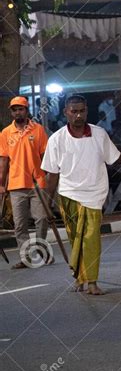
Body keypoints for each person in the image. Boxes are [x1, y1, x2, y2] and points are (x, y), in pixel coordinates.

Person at [41, 94, 121, 295]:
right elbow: (52, 175)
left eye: (82, 111)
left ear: (87, 111)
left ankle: (92, 281)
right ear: (65, 113)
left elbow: (118, 159)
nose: (79, 115)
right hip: (68, 195)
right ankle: (80, 277)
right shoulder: (56, 139)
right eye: (74, 111)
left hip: (95, 196)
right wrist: (46, 204)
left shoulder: (99, 134)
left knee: (91, 238)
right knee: (76, 239)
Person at [0, 96, 51, 269]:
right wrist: (1, 184)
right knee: (20, 224)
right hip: (15, 185)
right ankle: (27, 257)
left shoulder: (38, 129)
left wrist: (51, 178)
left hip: (37, 182)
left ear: (27, 110)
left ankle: (41, 251)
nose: (17, 112)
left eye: (20, 109)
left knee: (42, 219)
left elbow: (46, 156)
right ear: (11, 112)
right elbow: (4, 161)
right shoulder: (6, 133)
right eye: (14, 109)